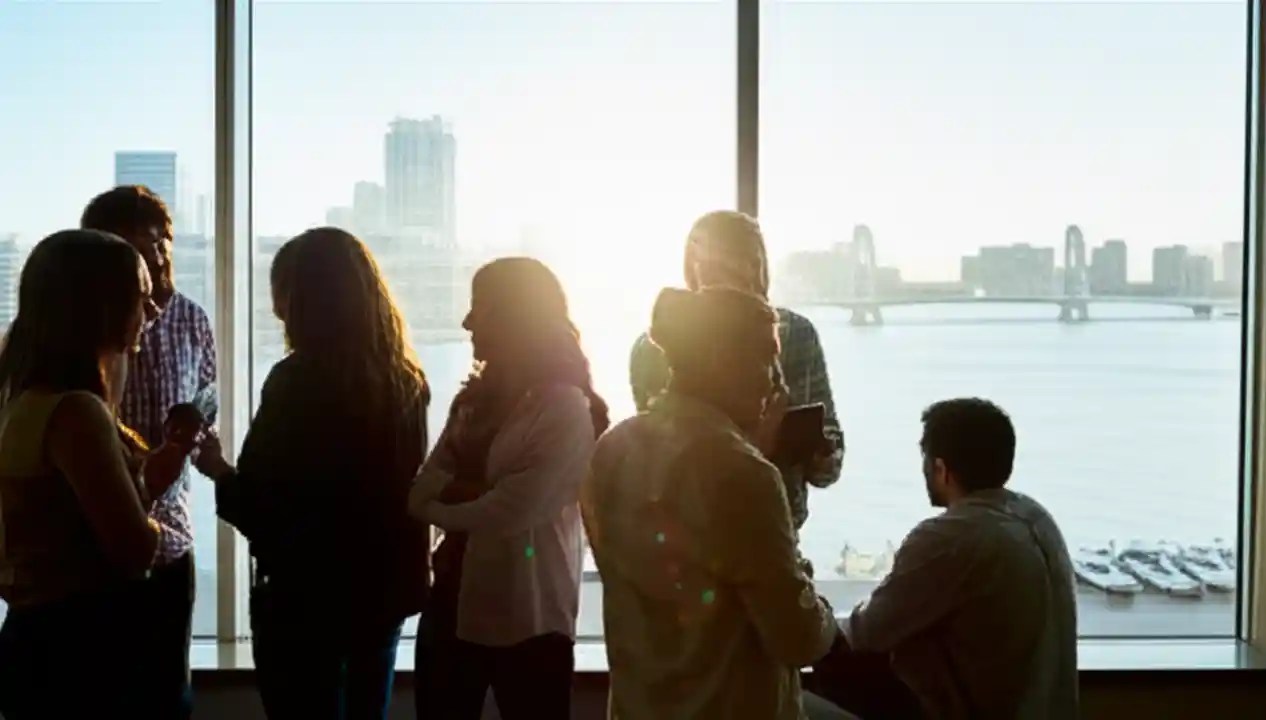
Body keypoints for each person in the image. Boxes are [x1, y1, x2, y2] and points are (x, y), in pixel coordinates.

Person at [194, 228, 430, 718]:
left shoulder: (296, 382)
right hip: (380, 594)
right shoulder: (404, 382)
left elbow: (262, 505)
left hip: (303, 601)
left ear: (300, 298)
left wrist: (217, 470)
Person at [585, 286, 843, 720]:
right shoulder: (744, 474)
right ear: (724, 360)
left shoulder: (612, 449)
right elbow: (797, 639)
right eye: (766, 358)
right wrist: (817, 602)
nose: (776, 380)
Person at [0, 230, 198, 718]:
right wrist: (162, 528)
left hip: (37, 638)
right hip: (83, 652)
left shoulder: (21, 398)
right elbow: (134, 549)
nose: (151, 315)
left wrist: (145, 479)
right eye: (142, 299)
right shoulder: (77, 412)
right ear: (101, 308)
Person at [409, 257, 608, 720]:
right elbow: (419, 495)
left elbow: (512, 511)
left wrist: (453, 494)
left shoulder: (565, 407)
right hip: (450, 603)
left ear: (518, 316)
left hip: (531, 618)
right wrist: (482, 492)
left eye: (481, 307)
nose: (467, 322)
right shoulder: (472, 399)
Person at [834, 399, 1078, 719]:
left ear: (940, 468)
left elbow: (866, 632)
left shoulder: (951, 537)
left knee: (836, 656)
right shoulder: (1037, 518)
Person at [81, 185, 217, 717]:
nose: (155, 255)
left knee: (167, 701)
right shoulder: (75, 334)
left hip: (169, 546)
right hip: (93, 552)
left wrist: (192, 433)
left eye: (161, 241)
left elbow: (209, 402)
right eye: (136, 244)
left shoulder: (191, 319)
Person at [630, 211, 843, 535]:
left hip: (777, 528)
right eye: (723, 268)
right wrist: (759, 445)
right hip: (692, 531)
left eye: (752, 265)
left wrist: (821, 454)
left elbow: (830, 460)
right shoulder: (654, 350)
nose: (743, 278)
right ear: (693, 274)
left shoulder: (796, 335)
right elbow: (658, 462)